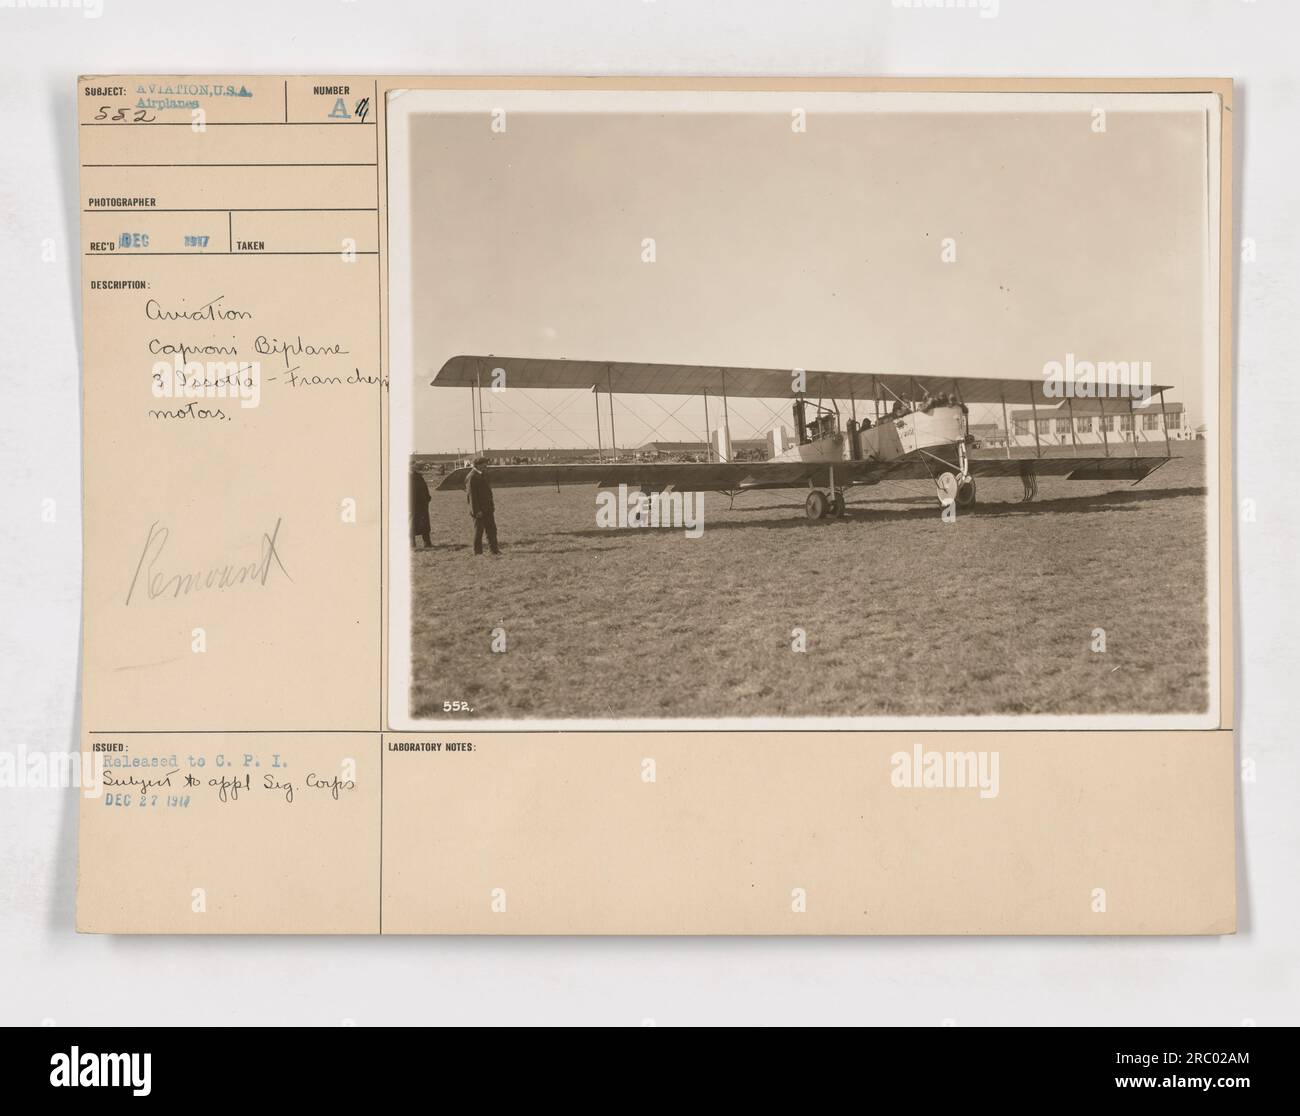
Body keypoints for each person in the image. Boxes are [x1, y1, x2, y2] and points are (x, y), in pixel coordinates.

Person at [465, 456, 500, 555]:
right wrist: (476, 511)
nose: (486, 465)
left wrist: (491, 505)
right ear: (478, 465)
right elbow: (472, 496)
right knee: (479, 531)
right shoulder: (472, 477)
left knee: (492, 530)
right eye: (484, 463)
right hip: (479, 510)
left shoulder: (483, 474)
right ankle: (478, 552)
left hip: (488, 508)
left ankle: (494, 550)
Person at [409, 464, 432, 549]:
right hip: (413, 505)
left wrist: (427, 498)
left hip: (422, 504)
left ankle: (427, 542)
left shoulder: (419, 477)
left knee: (424, 523)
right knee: (412, 524)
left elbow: (425, 489)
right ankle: (412, 543)